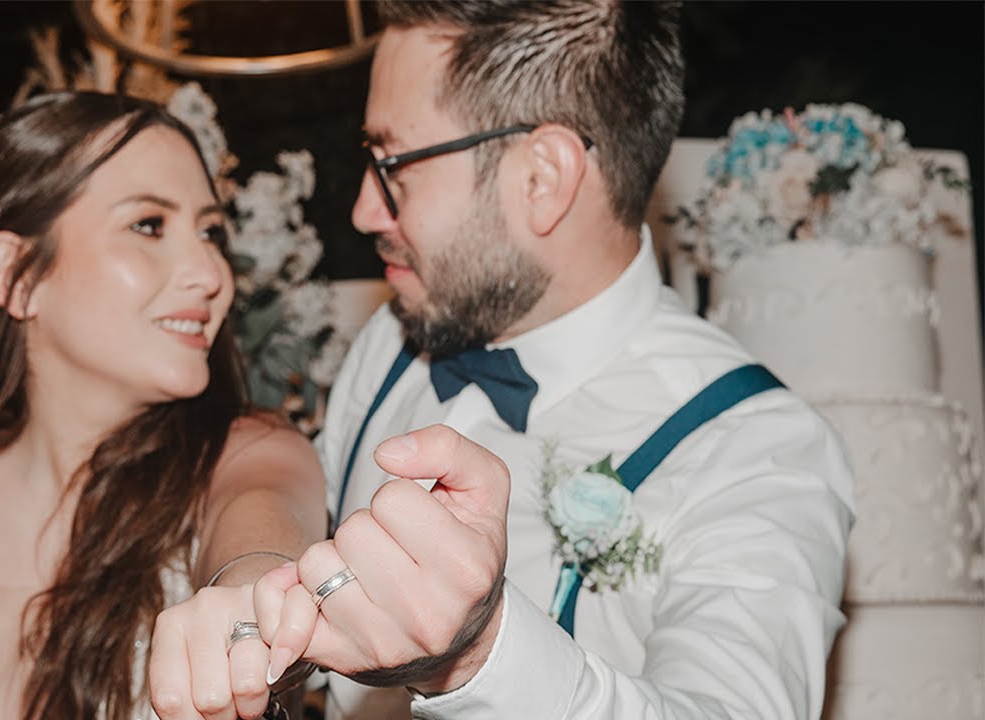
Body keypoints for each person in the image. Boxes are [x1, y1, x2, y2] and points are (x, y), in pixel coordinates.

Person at [152, 2, 855, 719]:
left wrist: (479, 651)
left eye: (393, 164)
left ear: (542, 178)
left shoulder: (760, 449)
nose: (366, 209)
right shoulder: (390, 345)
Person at [0, 91, 326, 720]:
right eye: (149, 225)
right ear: (18, 276)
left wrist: (249, 603)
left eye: (211, 232)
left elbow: (262, 537)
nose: (211, 272)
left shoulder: (251, 451)